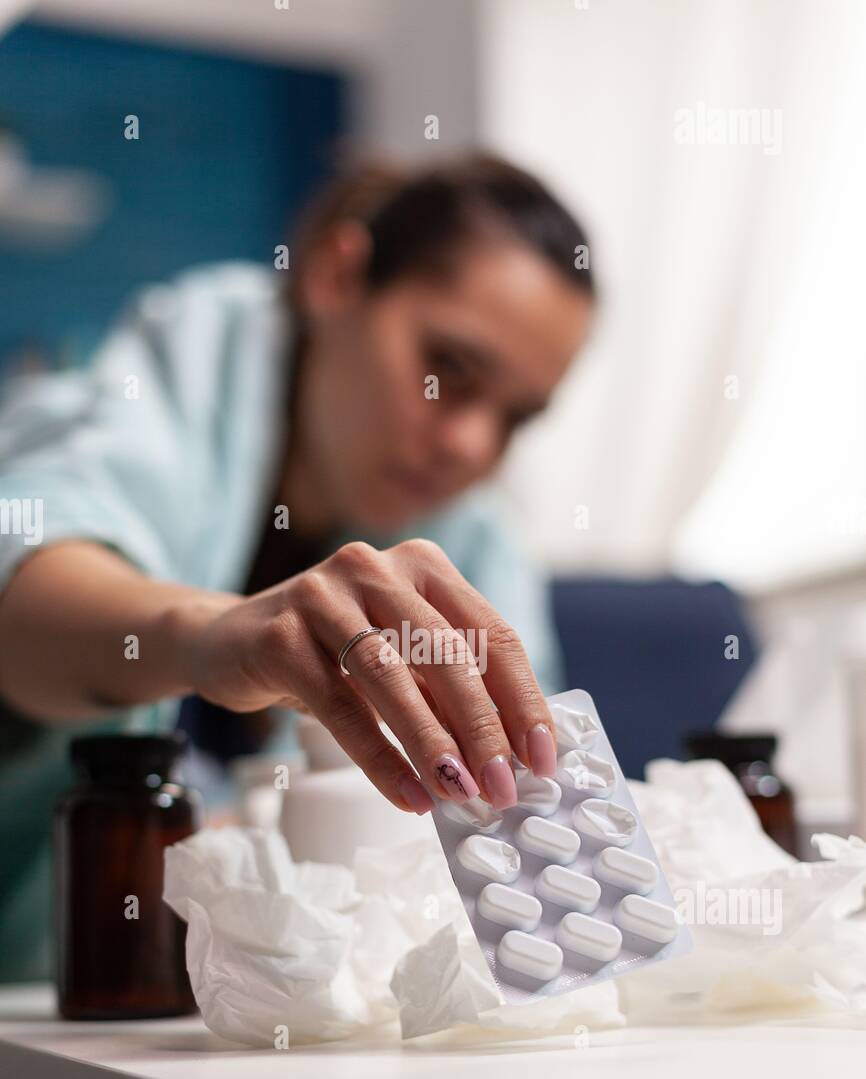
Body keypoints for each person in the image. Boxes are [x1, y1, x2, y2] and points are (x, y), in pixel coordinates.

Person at [0, 154, 595, 982]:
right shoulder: (163, 384)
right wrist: (209, 637)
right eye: (449, 372)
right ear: (336, 274)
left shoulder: (473, 536)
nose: (473, 444)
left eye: (517, 418)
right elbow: (22, 592)